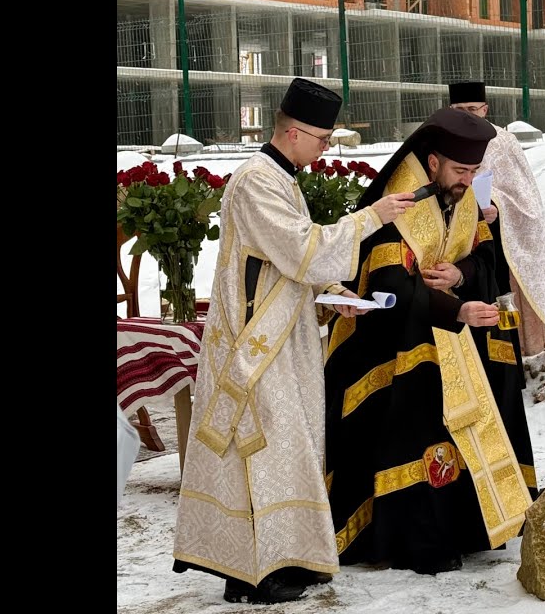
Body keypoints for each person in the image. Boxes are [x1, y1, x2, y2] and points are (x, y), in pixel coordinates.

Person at [172, 78, 417, 605]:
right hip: (255, 342)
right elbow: (303, 249)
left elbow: (283, 264)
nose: (326, 149)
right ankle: (249, 574)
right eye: (324, 140)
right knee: (261, 448)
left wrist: (333, 291)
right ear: (295, 131)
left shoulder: (283, 179)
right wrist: (373, 217)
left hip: (286, 335)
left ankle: (289, 557)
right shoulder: (256, 182)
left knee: (292, 445)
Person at [323, 108, 538, 576]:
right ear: (434, 161)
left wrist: (462, 274)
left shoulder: (457, 191)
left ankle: (461, 527)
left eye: (476, 172)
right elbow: (387, 287)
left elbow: (486, 256)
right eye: (462, 171)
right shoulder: (397, 199)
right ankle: (409, 537)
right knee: (417, 398)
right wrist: (456, 309)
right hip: (384, 340)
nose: (469, 182)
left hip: (440, 331)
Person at [448, 81, 545, 364]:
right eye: (459, 109)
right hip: (453, 239)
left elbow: (524, 197)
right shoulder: (441, 138)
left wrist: (496, 206)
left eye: (472, 109)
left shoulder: (503, 141)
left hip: (496, 238)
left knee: (497, 295)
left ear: (485, 109)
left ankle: (509, 363)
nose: (466, 115)